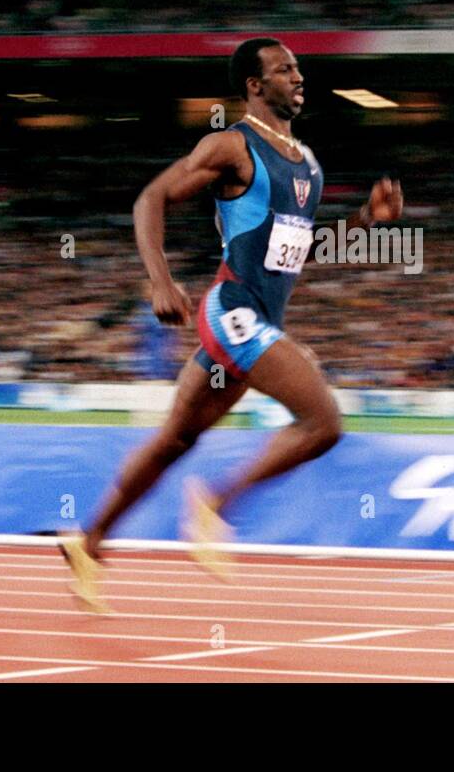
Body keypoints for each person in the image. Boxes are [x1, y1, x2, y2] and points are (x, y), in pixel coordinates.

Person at [61, 37, 404, 611]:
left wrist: (367, 220)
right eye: (284, 69)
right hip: (233, 313)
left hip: (256, 324)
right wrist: (159, 279)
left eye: (298, 67)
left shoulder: (309, 164)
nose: (298, 76)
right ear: (254, 85)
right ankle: (216, 505)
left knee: (174, 440)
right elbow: (150, 199)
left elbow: (297, 249)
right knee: (323, 422)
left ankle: (88, 543)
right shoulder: (231, 146)